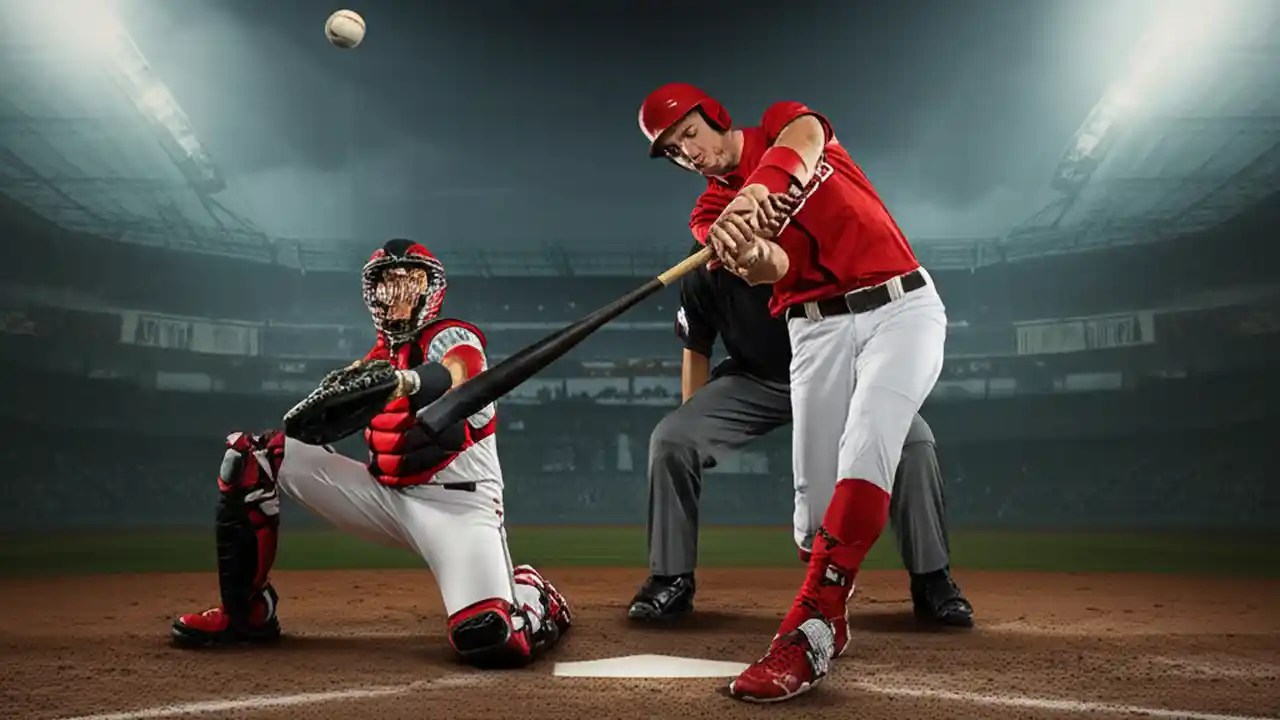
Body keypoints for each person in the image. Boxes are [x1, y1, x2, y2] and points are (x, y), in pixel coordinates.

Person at [639, 83, 949, 702]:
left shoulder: (782, 124)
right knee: (813, 516)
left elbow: (806, 141)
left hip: (899, 304)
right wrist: (748, 247)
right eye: (673, 151)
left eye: (690, 135)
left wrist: (758, 192)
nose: (688, 153)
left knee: (870, 437)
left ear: (715, 116)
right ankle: (821, 578)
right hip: (815, 330)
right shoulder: (707, 217)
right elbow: (773, 270)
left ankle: (816, 621)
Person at [171, 239, 572, 668]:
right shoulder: (373, 363)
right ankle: (245, 614)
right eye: (386, 283)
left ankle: (532, 596)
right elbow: (316, 427)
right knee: (251, 455)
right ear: (372, 293)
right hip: (384, 497)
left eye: (409, 281)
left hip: (458, 507)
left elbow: (464, 369)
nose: (397, 293)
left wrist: (407, 384)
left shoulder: (449, 335)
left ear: (430, 290)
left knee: (490, 638)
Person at [627, 244, 972, 631]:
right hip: (756, 380)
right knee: (671, 439)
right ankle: (671, 579)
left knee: (915, 444)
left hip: (839, 375)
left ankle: (932, 580)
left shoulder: (819, 241)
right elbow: (696, 348)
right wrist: (694, 426)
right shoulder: (704, 262)